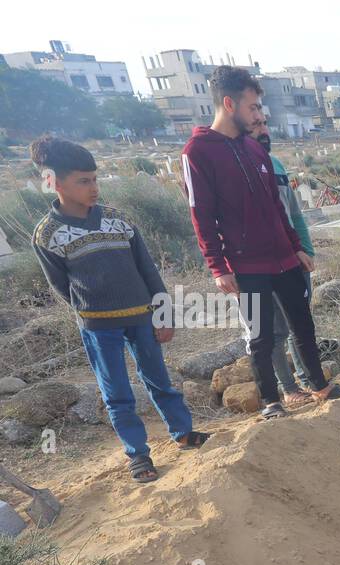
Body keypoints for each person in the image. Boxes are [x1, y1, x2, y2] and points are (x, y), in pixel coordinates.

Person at [30, 135, 209, 482]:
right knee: (117, 394)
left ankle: (183, 432)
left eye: (95, 179)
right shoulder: (47, 234)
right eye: (84, 181)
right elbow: (61, 286)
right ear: (55, 182)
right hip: (98, 327)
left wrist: (162, 312)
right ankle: (138, 455)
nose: (93, 187)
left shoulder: (117, 220)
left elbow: (147, 269)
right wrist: (90, 311)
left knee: (159, 380)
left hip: (142, 317)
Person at [183, 66, 340, 421]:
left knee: (302, 325)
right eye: (253, 108)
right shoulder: (198, 152)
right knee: (261, 337)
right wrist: (218, 267)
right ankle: (273, 402)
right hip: (246, 265)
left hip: (284, 259)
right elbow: (202, 214)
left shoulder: (253, 149)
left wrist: (297, 247)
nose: (259, 115)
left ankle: (320, 386)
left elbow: (278, 207)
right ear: (229, 104)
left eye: (259, 108)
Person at [251, 116, 316, 403]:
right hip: (259, 266)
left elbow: (294, 213)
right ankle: (288, 389)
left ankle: (309, 381)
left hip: (294, 259)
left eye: (265, 123)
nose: (264, 130)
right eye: (256, 125)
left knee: (298, 324)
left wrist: (307, 250)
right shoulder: (235, 167)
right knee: (273, 331)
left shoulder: (275, 164)